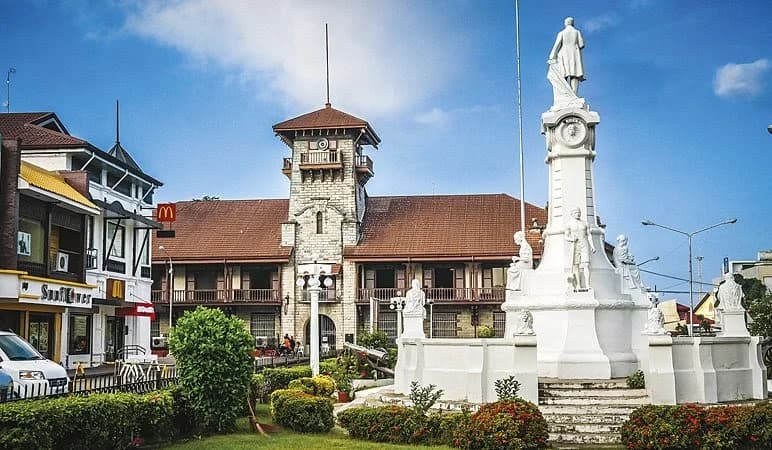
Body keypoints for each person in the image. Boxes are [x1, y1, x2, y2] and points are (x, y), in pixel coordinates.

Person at [548, 17, 585, 94]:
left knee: (563, 73)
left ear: (566, 23)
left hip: (564, 54)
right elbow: (581, 44)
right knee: (574, 74)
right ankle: (574, 94)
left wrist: (552, 57)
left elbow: (556, 45)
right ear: (572, 23)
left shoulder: (562, 33)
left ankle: (565, 93)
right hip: (574, 54)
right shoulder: (577, 32)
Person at [564, 207, 595, 290]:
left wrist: (592, 246)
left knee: (586, 265)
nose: (577, 214)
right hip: (575, 245)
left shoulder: (585, 223)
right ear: (572, 214)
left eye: (579, 212)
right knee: (576, 265)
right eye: (575, 212)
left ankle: (587, 285)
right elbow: (566, 236)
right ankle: (578, 285)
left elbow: (589, 235)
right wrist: (571, 239)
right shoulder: (569, 224)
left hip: (584, 244)